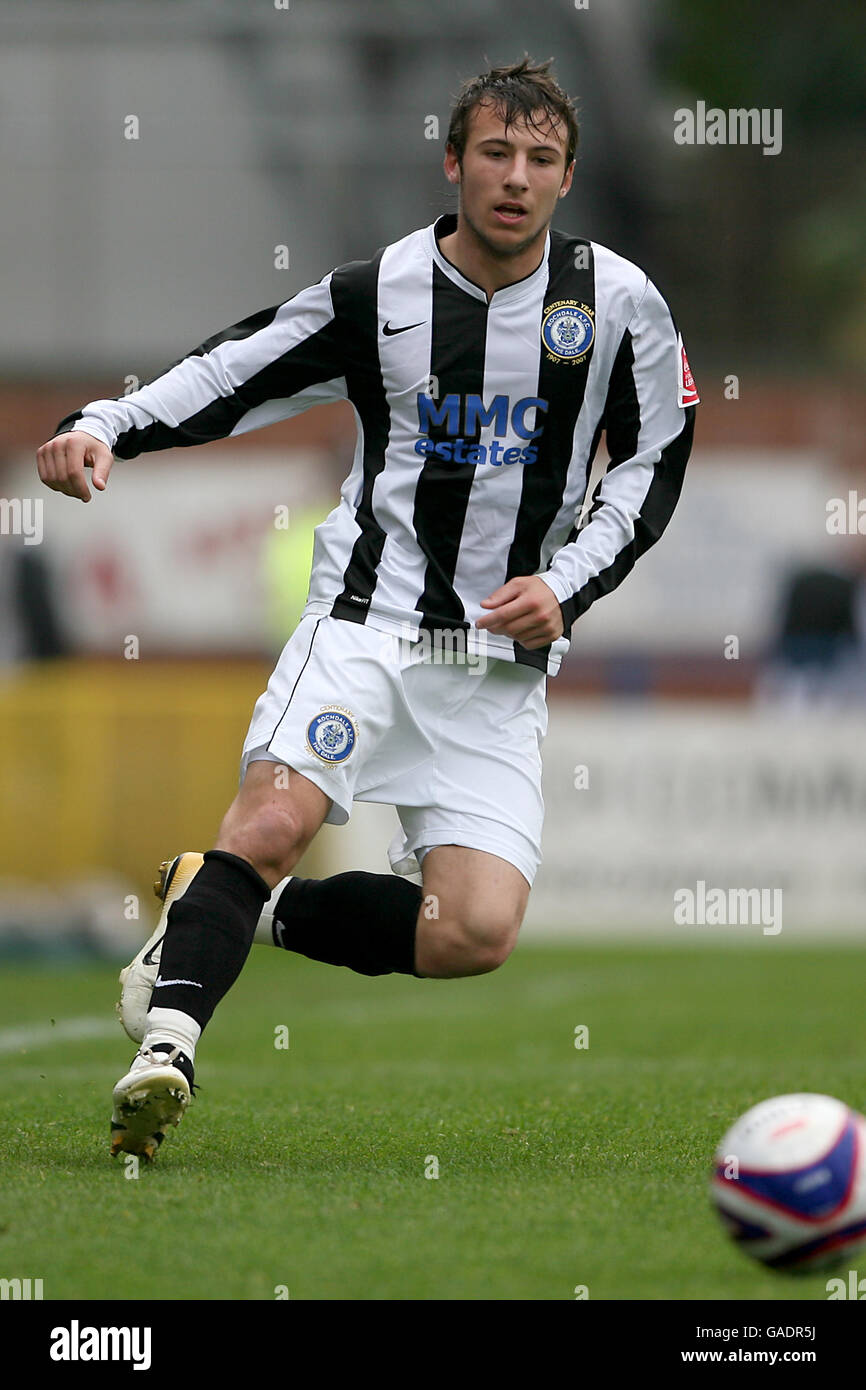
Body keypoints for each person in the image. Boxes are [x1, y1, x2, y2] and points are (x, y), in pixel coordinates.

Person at [35, 56, 698, 1160]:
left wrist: (568, 583)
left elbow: (656, 462)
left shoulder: (619, 305)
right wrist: (108, 421)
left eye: (539, 160)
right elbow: (235, 370)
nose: (514, 178)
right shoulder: (376, 291)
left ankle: (226, 905)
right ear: (453, 162)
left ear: (566, 178)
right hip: (368, 623)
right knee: (273, 821)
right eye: (494, 152)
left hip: (492, 670)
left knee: (472, 931)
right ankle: (168, 1048)